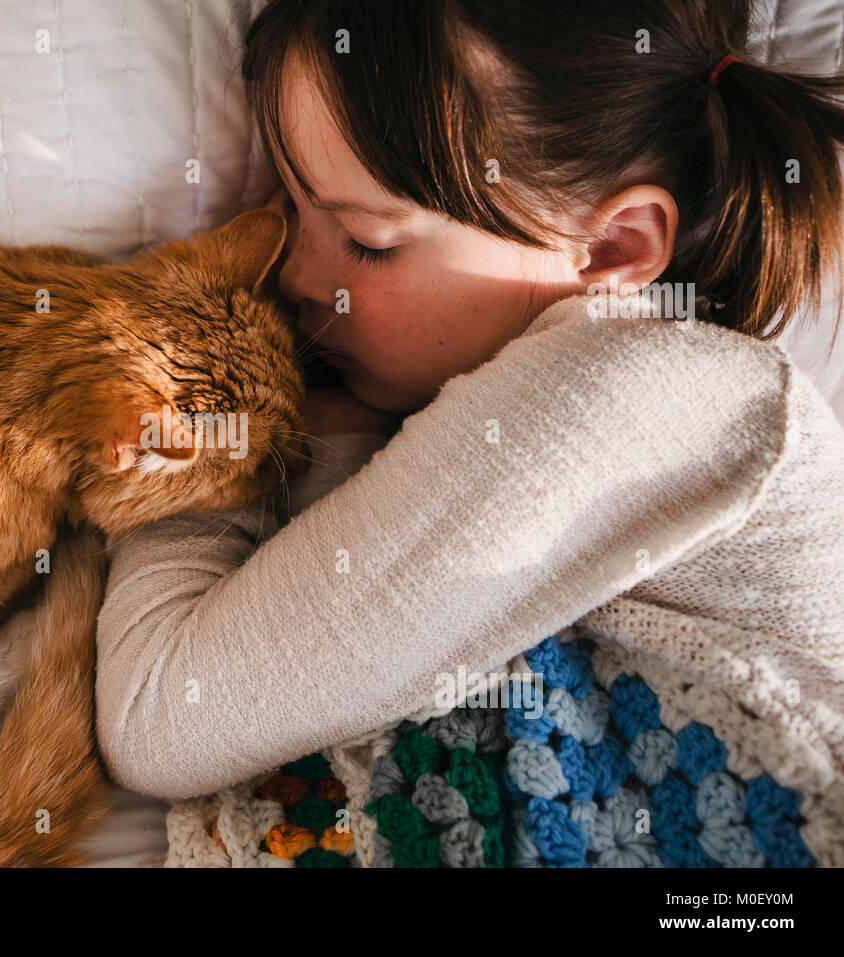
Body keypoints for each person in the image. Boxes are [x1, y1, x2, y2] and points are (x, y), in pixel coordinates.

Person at [93, 0, 844, 865]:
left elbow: (161, 711)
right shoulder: (519, 404)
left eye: (367, 242)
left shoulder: (634, 391)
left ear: (610, 250)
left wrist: (193, 438)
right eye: (291, 209)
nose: (292, 273)